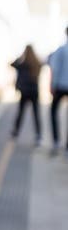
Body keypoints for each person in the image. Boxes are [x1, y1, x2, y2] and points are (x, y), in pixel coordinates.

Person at [10, 44, 42, 144]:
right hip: (34, 92)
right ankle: (38, 135)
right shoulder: (37, 64)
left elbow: (12, 64)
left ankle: (16, 132)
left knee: (21, 112)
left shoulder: (22, 64)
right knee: (36, 113)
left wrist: (20, 56)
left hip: (24, 92)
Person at [48, 26, 68, 154]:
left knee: (53, 111)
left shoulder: (61, 50)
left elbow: (54, 68)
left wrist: (52, 85)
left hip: (60, 86)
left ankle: (56, 141)